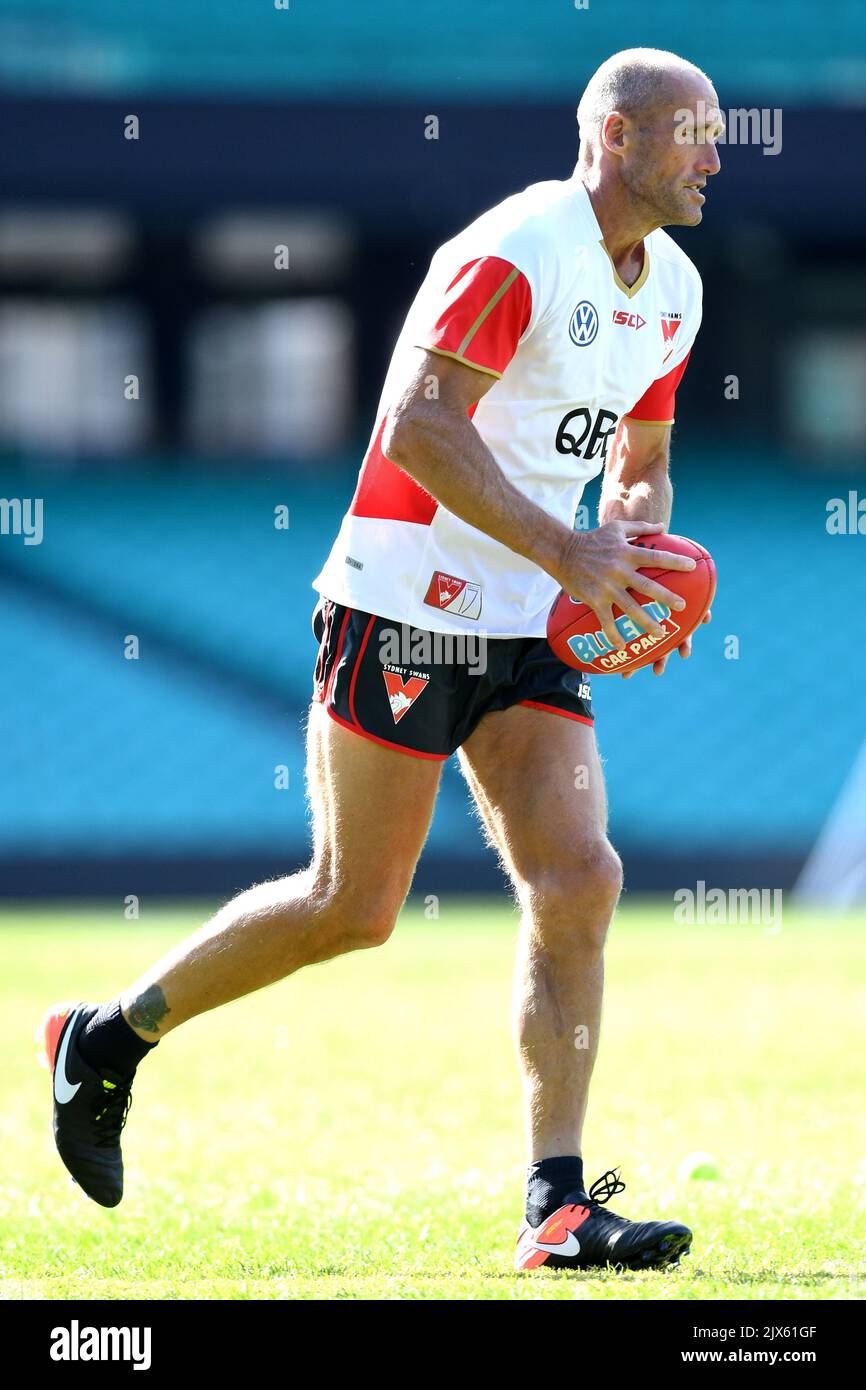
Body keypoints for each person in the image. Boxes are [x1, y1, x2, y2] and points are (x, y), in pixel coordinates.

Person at [43, 46, 721, 1272]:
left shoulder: (670, 286)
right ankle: (106, 1038)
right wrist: (573, 552)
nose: (716, 157)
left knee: (579, 878)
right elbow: (414, 424)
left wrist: (634, 556)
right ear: (614, 138)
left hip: (528, 619)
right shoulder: (516, 248)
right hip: (400, 603)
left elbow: (639, 456)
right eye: (692, 134)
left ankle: (555, 1207)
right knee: (353, 906)